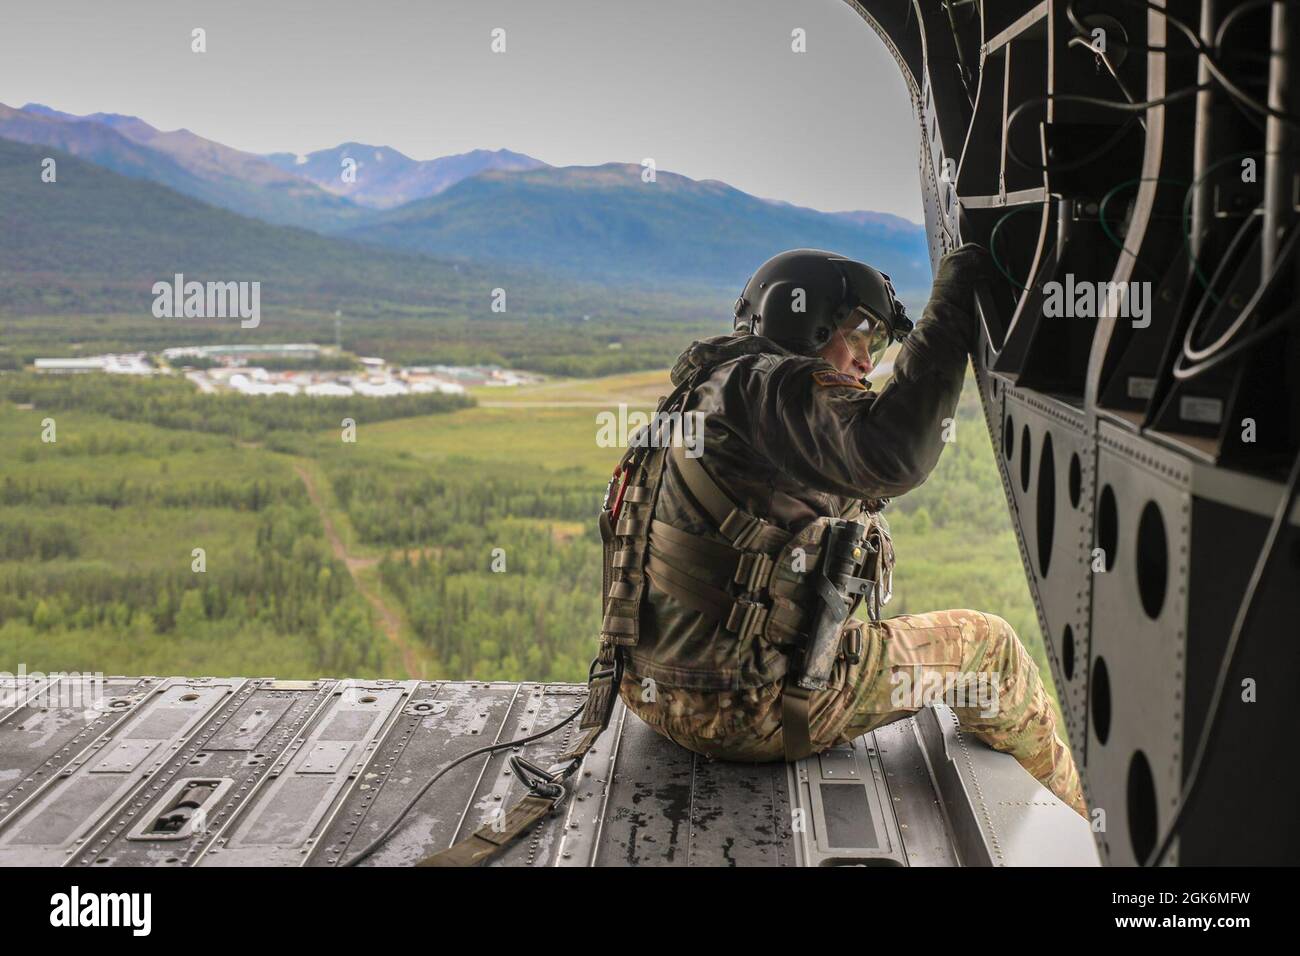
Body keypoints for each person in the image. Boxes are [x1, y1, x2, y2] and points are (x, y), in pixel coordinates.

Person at [606, 243, 1087, 817]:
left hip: (650, 694)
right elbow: (895, 453)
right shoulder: (774, 387)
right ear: (801, 319)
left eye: (878, 346)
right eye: (859, 334)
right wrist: (956, 295)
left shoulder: (707, 390)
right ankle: (1089, 830)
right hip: (743, 708)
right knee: (992, 648)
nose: (867, 360)